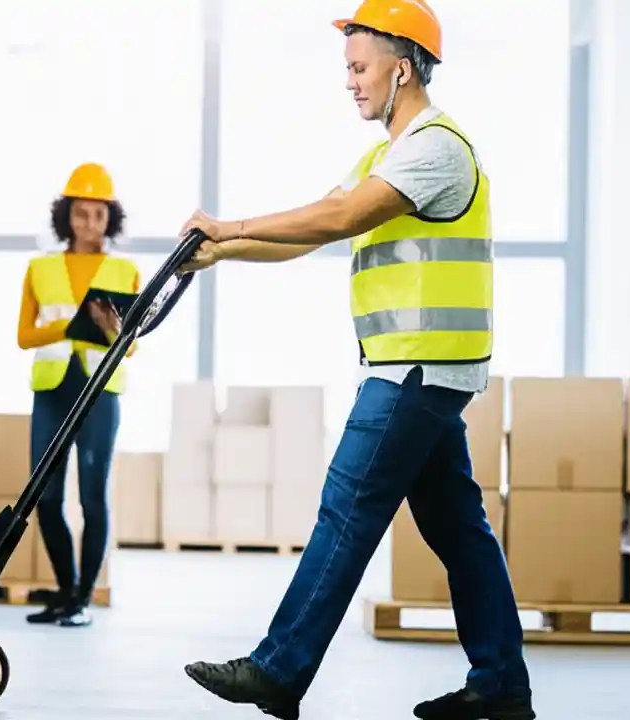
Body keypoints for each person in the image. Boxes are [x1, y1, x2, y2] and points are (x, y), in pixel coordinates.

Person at [176, 1, 534, 718]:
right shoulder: (388, 154)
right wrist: (218, 252)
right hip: (424, 369)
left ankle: (279, 670)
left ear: (403, 67)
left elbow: (341, 219)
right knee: (459, 527)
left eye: (359, 66)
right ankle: (500, 687)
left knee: (347, 510)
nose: (350, 81)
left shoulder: (436, 148)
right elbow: (314, 228)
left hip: (415, 369)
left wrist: (228, 224)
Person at [16, 162, 139, 628]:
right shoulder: (39, 267)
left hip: (98, 393)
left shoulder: (124, 270)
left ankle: (83, 599)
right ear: (66, 215)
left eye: (99, 216)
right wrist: (68, 326)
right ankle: (65, 591)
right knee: (45, 498)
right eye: (81, 214)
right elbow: (24, 336)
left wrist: (113, 330)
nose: (90, 224)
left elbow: (131, 347)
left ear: (111, 220)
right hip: (51, 389)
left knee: (92, 498)